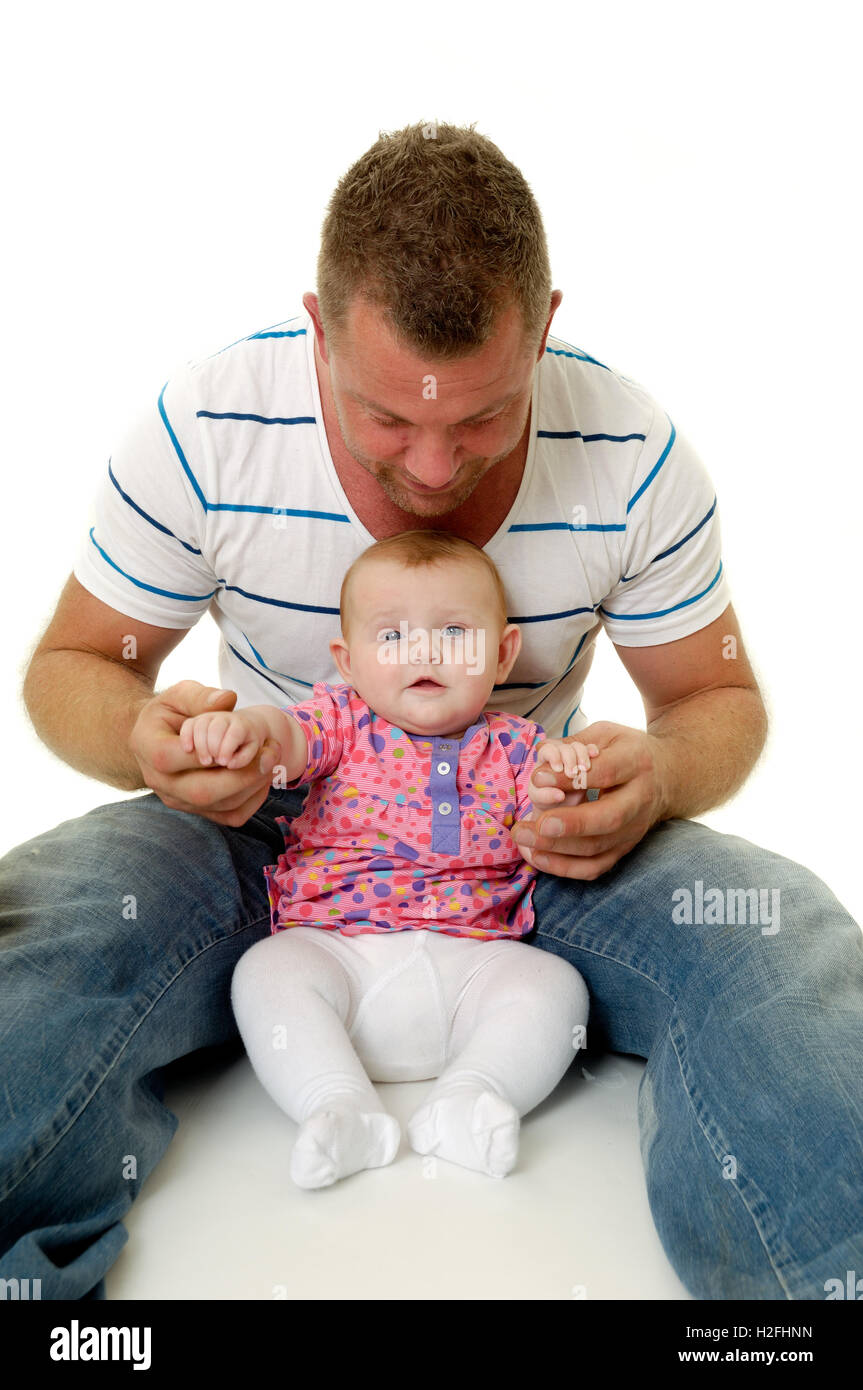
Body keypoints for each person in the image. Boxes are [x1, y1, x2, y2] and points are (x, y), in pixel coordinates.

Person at [1, 119, 860, 1300]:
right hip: (258, 819)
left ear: (544, 328)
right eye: (389, 419)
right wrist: (147, 742)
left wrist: (651, 775)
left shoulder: (632, 452)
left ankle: (820, 1295)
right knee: (42, 934)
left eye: (481, 417)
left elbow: (714, 699)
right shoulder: (208, 423)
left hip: (531, 839)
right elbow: (72, 666)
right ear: (316, 329)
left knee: (780, 933)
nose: (436, 468)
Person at [180, 530, 594, 1188]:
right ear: (346, 661)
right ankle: (337, 1104)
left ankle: (471, 1094)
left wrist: (564, 780)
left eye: (455, 632)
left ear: (503, 652)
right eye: (392, 635)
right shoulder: (343, 721)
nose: (424, 651)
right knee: (267, 970)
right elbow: (287, 739)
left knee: (554, 989)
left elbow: (549, 815)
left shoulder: (517, 745)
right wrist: (247, 733)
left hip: (474, 964)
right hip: (339, 953)